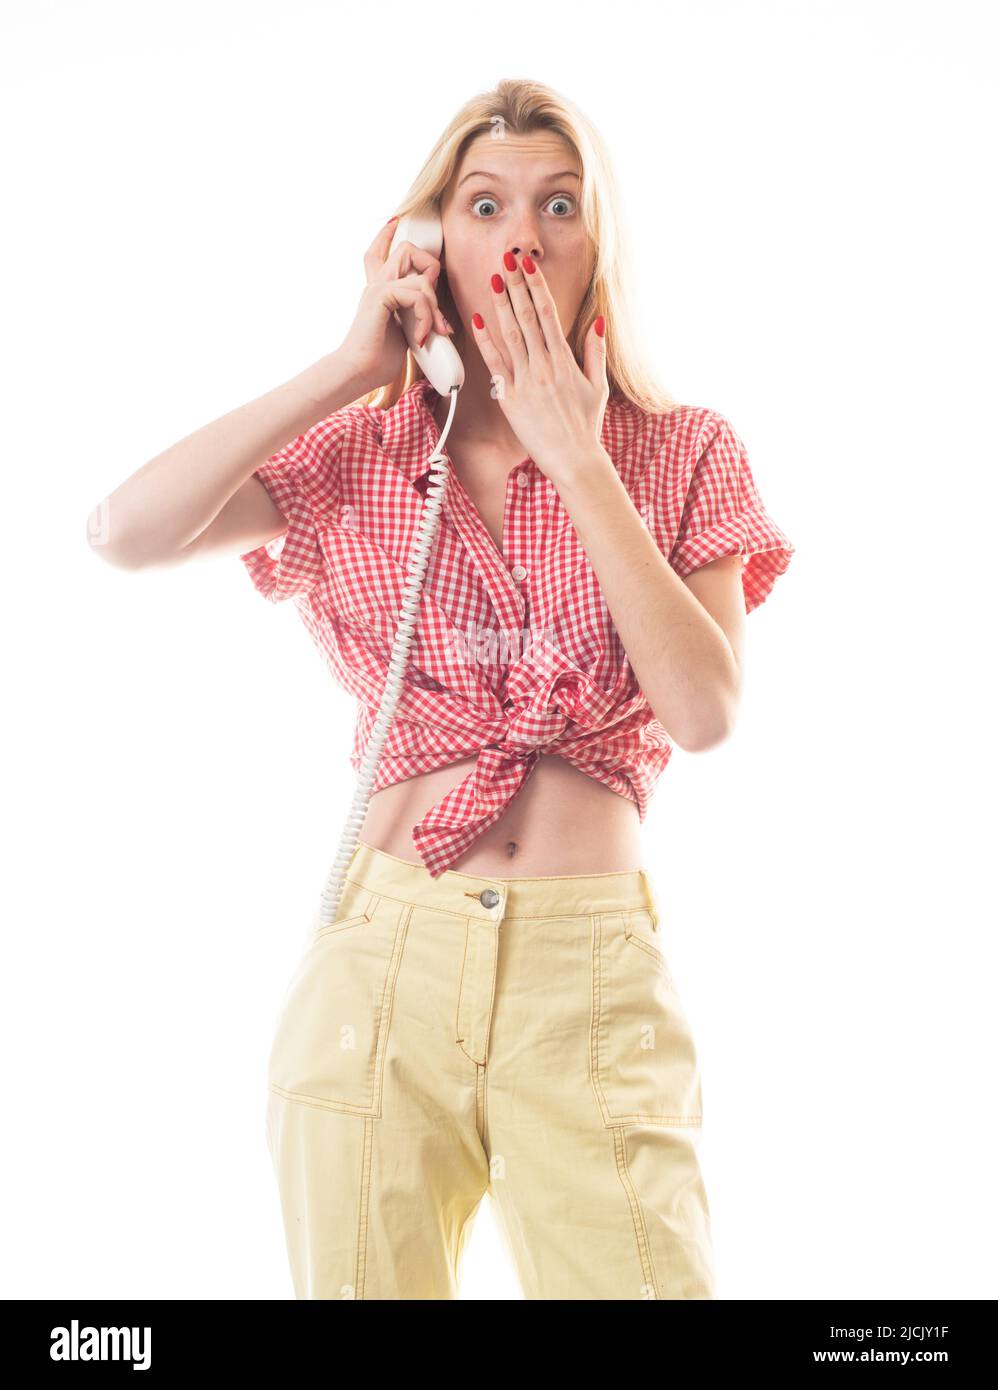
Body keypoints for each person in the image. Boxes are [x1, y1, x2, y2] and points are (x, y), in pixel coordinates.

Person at [88, 78, 794, 1300]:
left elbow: (704, 711)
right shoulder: (362, 456)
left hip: (583, 973)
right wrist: (345, 362)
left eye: (557, 203)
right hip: (382, 960)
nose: (521, 235)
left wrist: (573, 449)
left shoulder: (685, 450)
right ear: (429, 243)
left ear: (596, 245)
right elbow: (121, 532)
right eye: (483, 203)